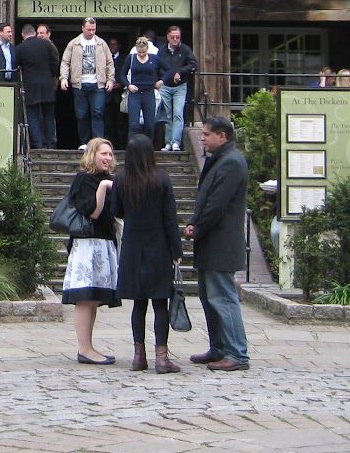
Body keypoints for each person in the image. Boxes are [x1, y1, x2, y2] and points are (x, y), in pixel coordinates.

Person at [184, 115, 251, 371]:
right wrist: (194, 222)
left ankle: (236, 352)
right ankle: (219, 347)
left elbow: (217, 204)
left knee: (223, 297)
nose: (202, 137)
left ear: (222, 136)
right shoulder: (220, 160)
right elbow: (206, 200)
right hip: (211, 242)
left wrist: (198, 227)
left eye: (207, 134)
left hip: (221, 242)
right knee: (210, 297)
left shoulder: (231, 163)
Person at [115, 136, 184, 373]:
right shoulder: (161, 180)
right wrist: (177, 250)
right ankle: (162, 357)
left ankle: (138, 356)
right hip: (158, 245)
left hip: (133, 245)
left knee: (138, 304)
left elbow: (116, 210)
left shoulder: (122, 179)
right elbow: (170, 218)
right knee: (160, 303)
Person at [60, 137, 121, 364]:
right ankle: (84, 348)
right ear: (92, 155)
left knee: (94, 298)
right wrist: (104, 188)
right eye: (103, 153)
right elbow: (92, 211)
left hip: (104, 241)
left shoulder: (107, 179)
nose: (108, 158)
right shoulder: (84, 180)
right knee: (85, 297)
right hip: (88, 244)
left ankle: (89, 346)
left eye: (110, 154)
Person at [61, 18, 115, 142]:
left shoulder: (101, 43)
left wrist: (110, 80)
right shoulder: (74, 43)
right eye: (89, 29)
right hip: (79, 84)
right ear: (82, 28)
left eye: (94, 29)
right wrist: (64, 78)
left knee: (98, 113)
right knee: (81, 115)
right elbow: (65, 62)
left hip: (98, 84)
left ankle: (98, 142)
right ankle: (84, 142)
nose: (91, 32)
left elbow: (109, 63)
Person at [17, 22, 61, 150]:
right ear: (34, 33)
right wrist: (51, 76)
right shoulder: (47, 45)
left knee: (33, 116)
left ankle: (38, 143)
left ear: (22, 35)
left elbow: (16, 67)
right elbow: (54, 62)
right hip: (47, 85)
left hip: (30, 85)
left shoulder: (20, 48)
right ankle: (51, 143)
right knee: (49, 115)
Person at [155, 25, 198, 153]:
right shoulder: (161, 50)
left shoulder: (185, 49)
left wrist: (180, 72)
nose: (175, 39)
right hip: (165, 86)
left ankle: (176, 143)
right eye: (172, 37)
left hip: (180, 86)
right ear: (167, 37)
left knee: (178, 113)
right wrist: (164, 78)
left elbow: (193, 64)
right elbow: (157, 66)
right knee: (166, 115)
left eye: (177, 37)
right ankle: (168, 142)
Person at [123, 36, 162, 145]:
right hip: (135, 94)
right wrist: (128, 85)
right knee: (134, 125)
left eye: (143, 52)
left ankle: (148, 150)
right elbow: (122, 75)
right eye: (139, 52)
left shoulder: (154, 58)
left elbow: (168, 70)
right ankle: (131, 149)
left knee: (149, 125)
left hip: (149, 93)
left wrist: (161, 81)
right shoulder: (131, 58)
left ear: (147, 49)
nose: (141, 54)